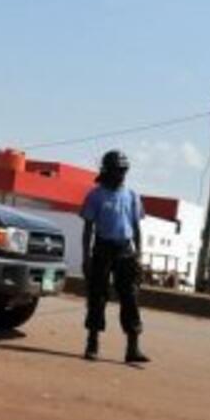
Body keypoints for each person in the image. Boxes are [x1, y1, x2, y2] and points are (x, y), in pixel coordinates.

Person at [80, 150, 148, 363]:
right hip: (102, 249)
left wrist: (139, 255)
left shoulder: (132, 196)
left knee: (130, 297)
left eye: (124, 170)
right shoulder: (95, 195)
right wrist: (86, 258)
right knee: (97, 296)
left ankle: (133, 348)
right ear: (107, 171)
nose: (122, 174)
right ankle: (92, 343)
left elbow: (137, 228)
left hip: (126, 251)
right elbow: (88, 229)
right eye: (118, 170)